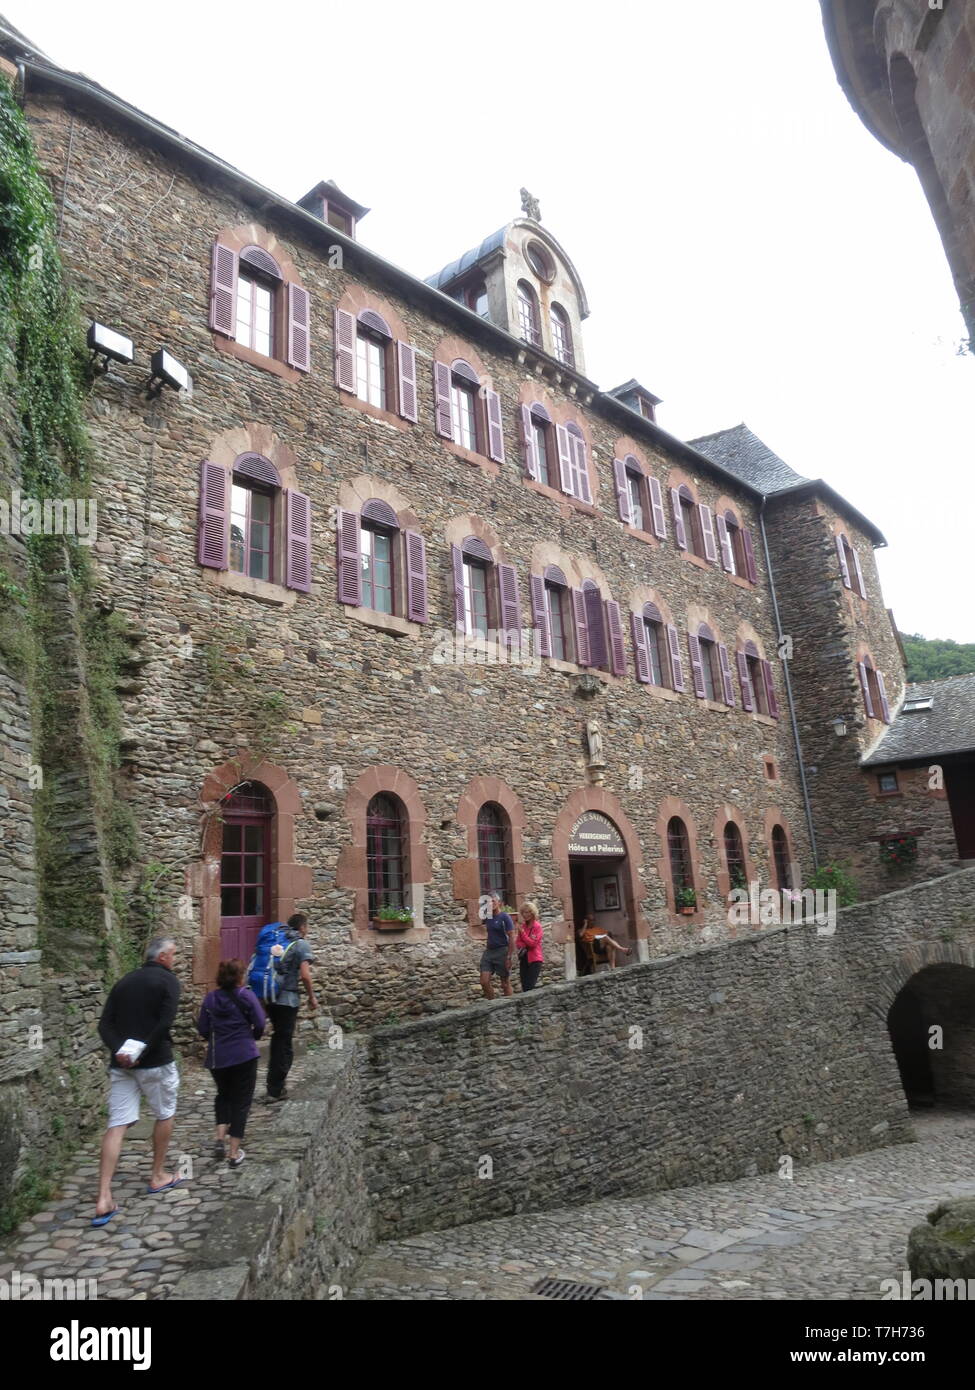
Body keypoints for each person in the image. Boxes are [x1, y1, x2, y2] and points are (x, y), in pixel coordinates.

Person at [93, 935, 183, 1226]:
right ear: (163, 958)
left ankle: (104, 1195)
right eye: (173, 955)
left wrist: (121, 1050)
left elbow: (104, 1024)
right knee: (164, 1114)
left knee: (117, 1125)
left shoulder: (124, 981)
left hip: (122, 1066)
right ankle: (157, 1175)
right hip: (156, 1062)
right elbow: (165, 1023)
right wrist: (142, 1049)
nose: (175, 959)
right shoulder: (168, 982)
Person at [197, 959, 266, 1167]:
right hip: (244, 1054)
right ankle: (234, 1153)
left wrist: (215, 1037)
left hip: (218, 1058)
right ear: (239, 976)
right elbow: (260, 1022)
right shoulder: (246, 995)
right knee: (242, 1102)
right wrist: (253, 1035)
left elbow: (202, 1029)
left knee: (223, 1096)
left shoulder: (210, 999)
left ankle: (219, 1138)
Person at [264, 913, 317, 1102]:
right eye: (307, 926)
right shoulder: (301, 944)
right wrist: (312, 997)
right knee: (284, 1046)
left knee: (278, 1040)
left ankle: (276, 1087)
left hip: (271, 998)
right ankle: (275, 1090)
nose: (307, 930)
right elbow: (305, 975)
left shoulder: (279, 941)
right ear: (302, 927)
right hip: (288, 1000)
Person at [480, 892, 516, 999]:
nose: (491, 904)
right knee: (484, 981)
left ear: (499, 903)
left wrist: (509, 957)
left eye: (493, 901)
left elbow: (512, 937)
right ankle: (492, 1004)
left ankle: (511, 1006)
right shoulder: (488, 918)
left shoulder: (505, 917)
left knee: (504, 983)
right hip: (489, 952)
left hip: (502, 951)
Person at [515, 901, 544, 992]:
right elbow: (518, 943)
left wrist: (523, 934)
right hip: (524, 958)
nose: (525, 914)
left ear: (532, 913)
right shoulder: (523, 926)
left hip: (535, 960)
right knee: (524, 987)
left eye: (527, 912)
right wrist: (525, 943)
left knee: (529, 986)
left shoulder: (537, 927)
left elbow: (533, 944)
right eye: (523, 912)